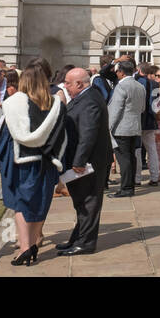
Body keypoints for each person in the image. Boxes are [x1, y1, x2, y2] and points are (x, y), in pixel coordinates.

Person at [0, 65, 68, 267]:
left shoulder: (13, 103)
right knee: (41, 202)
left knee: (21, 203)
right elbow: (62, 136)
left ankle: (25, 247)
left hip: (21, 161)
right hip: (47, 161)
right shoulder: (56, 104)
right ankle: (35, 241)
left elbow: (8, 136)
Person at [58, 67, 112, 256]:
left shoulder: (90, 100)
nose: (65, 86)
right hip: (84, 160)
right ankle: (77, 238)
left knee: (88, 202)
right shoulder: (83, 97)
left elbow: (88, 134)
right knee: (81, 202)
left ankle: (86, 243)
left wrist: (79, 161)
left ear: (79, 84)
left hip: (89, 163)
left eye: (67, 82)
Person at [106, 59, 146, 198]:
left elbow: (115, 110)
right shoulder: (140, 86)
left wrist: (108, 128)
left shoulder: (121, 86)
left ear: (121, 72)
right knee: (131, 157)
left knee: (124, 159)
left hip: (121, 127)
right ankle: (130, 186)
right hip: (134, 126)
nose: (116, 74)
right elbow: (142, 108)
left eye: (117, 71)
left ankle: (126, 188)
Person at [136, 63, 160, 187]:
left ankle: (137, 178)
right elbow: (157, 106)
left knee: (137, 149)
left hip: (138, 118)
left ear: (139, 70)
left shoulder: (137, 82)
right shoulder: (155, 84)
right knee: (152, 149)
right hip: (150, 119)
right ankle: (155, 176)